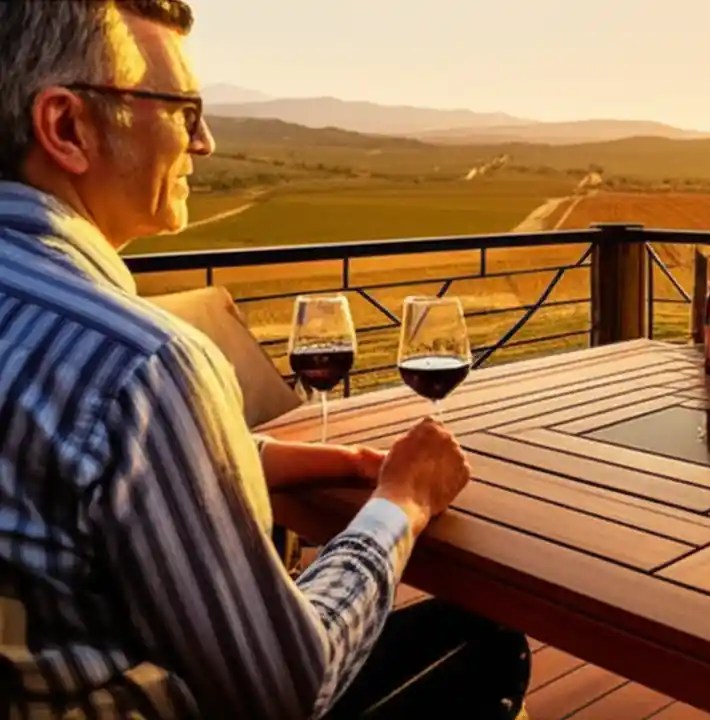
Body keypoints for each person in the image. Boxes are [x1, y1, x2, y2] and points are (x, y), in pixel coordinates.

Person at [0, 1, 528, 717]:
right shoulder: (140, 363)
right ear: (68, 127)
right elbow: (284, 687)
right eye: (183, 111)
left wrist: (236, 456)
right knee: (485, 638)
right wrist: (402, 503)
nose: (206, 141)